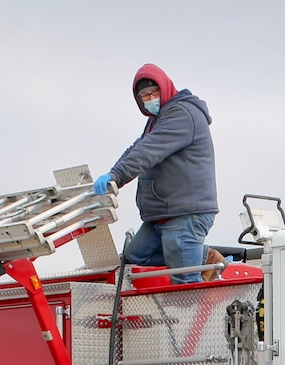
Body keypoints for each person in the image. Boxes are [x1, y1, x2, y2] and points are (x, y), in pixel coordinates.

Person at [93, 63, 218, 284]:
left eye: (154, 92)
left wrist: (117, 176)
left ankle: (194, 270)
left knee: (184, 284)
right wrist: (112, 175)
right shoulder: (158, 119)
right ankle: (202, 256)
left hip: (184, 213)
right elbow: (137, 148)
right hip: (163, 214)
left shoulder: (182, 114)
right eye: (144, 96)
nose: (150, 98)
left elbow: (149, 150)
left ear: (165, 88)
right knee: (136, 257)